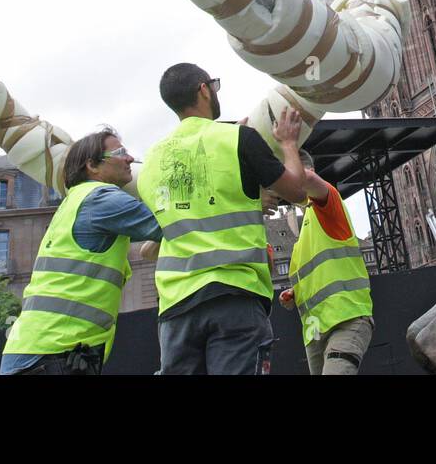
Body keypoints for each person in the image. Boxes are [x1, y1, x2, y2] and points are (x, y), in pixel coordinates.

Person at [136, 63, 324, 374]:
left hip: (175, 306)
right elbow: (295, 192)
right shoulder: (239, 139)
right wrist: (288, 144)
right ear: (203, 89)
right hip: (234, 296)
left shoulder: (152, 162)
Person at [1, 127, 161, 375]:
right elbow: (171, 223)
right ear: (92, 166)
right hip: (55, 352)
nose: (129, 158)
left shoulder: (74, 202)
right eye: (120, 152)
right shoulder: (102, 199)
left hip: (35, 348)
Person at [279, 150, 375, 375]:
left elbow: (308, 179)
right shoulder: (305, 229)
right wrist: (297, 291)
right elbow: (324, 271)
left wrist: (287, 146)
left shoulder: (327, 205)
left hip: (346, 319)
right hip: (316, 330)